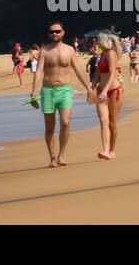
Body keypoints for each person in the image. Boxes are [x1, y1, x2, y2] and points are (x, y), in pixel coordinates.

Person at [29, 21, 94, 168]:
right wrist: (34, 90)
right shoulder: (44, 51)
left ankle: (61, 155)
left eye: (57, 31)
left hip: (64, 90)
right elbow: (39, 71)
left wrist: (89, 89)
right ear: (49, 34)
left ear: (63, 32)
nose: (55, 34)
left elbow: (78, 70)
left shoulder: (70, 50)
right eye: (52, 32)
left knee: (65, 122)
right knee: (50, 126)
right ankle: (52, 157)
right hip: (47, 91)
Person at [91, 30, 123, 160]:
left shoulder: (111, 54)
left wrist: (105, 90)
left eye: (98, 40)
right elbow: (98, 75)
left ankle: (112, 150)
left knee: (112, 123)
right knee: (103, 121)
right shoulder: (102, 54)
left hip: (114, 91)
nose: (97, 42)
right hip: (101, 92)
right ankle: (105, 150)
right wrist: (91, 89)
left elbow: (112, 74)